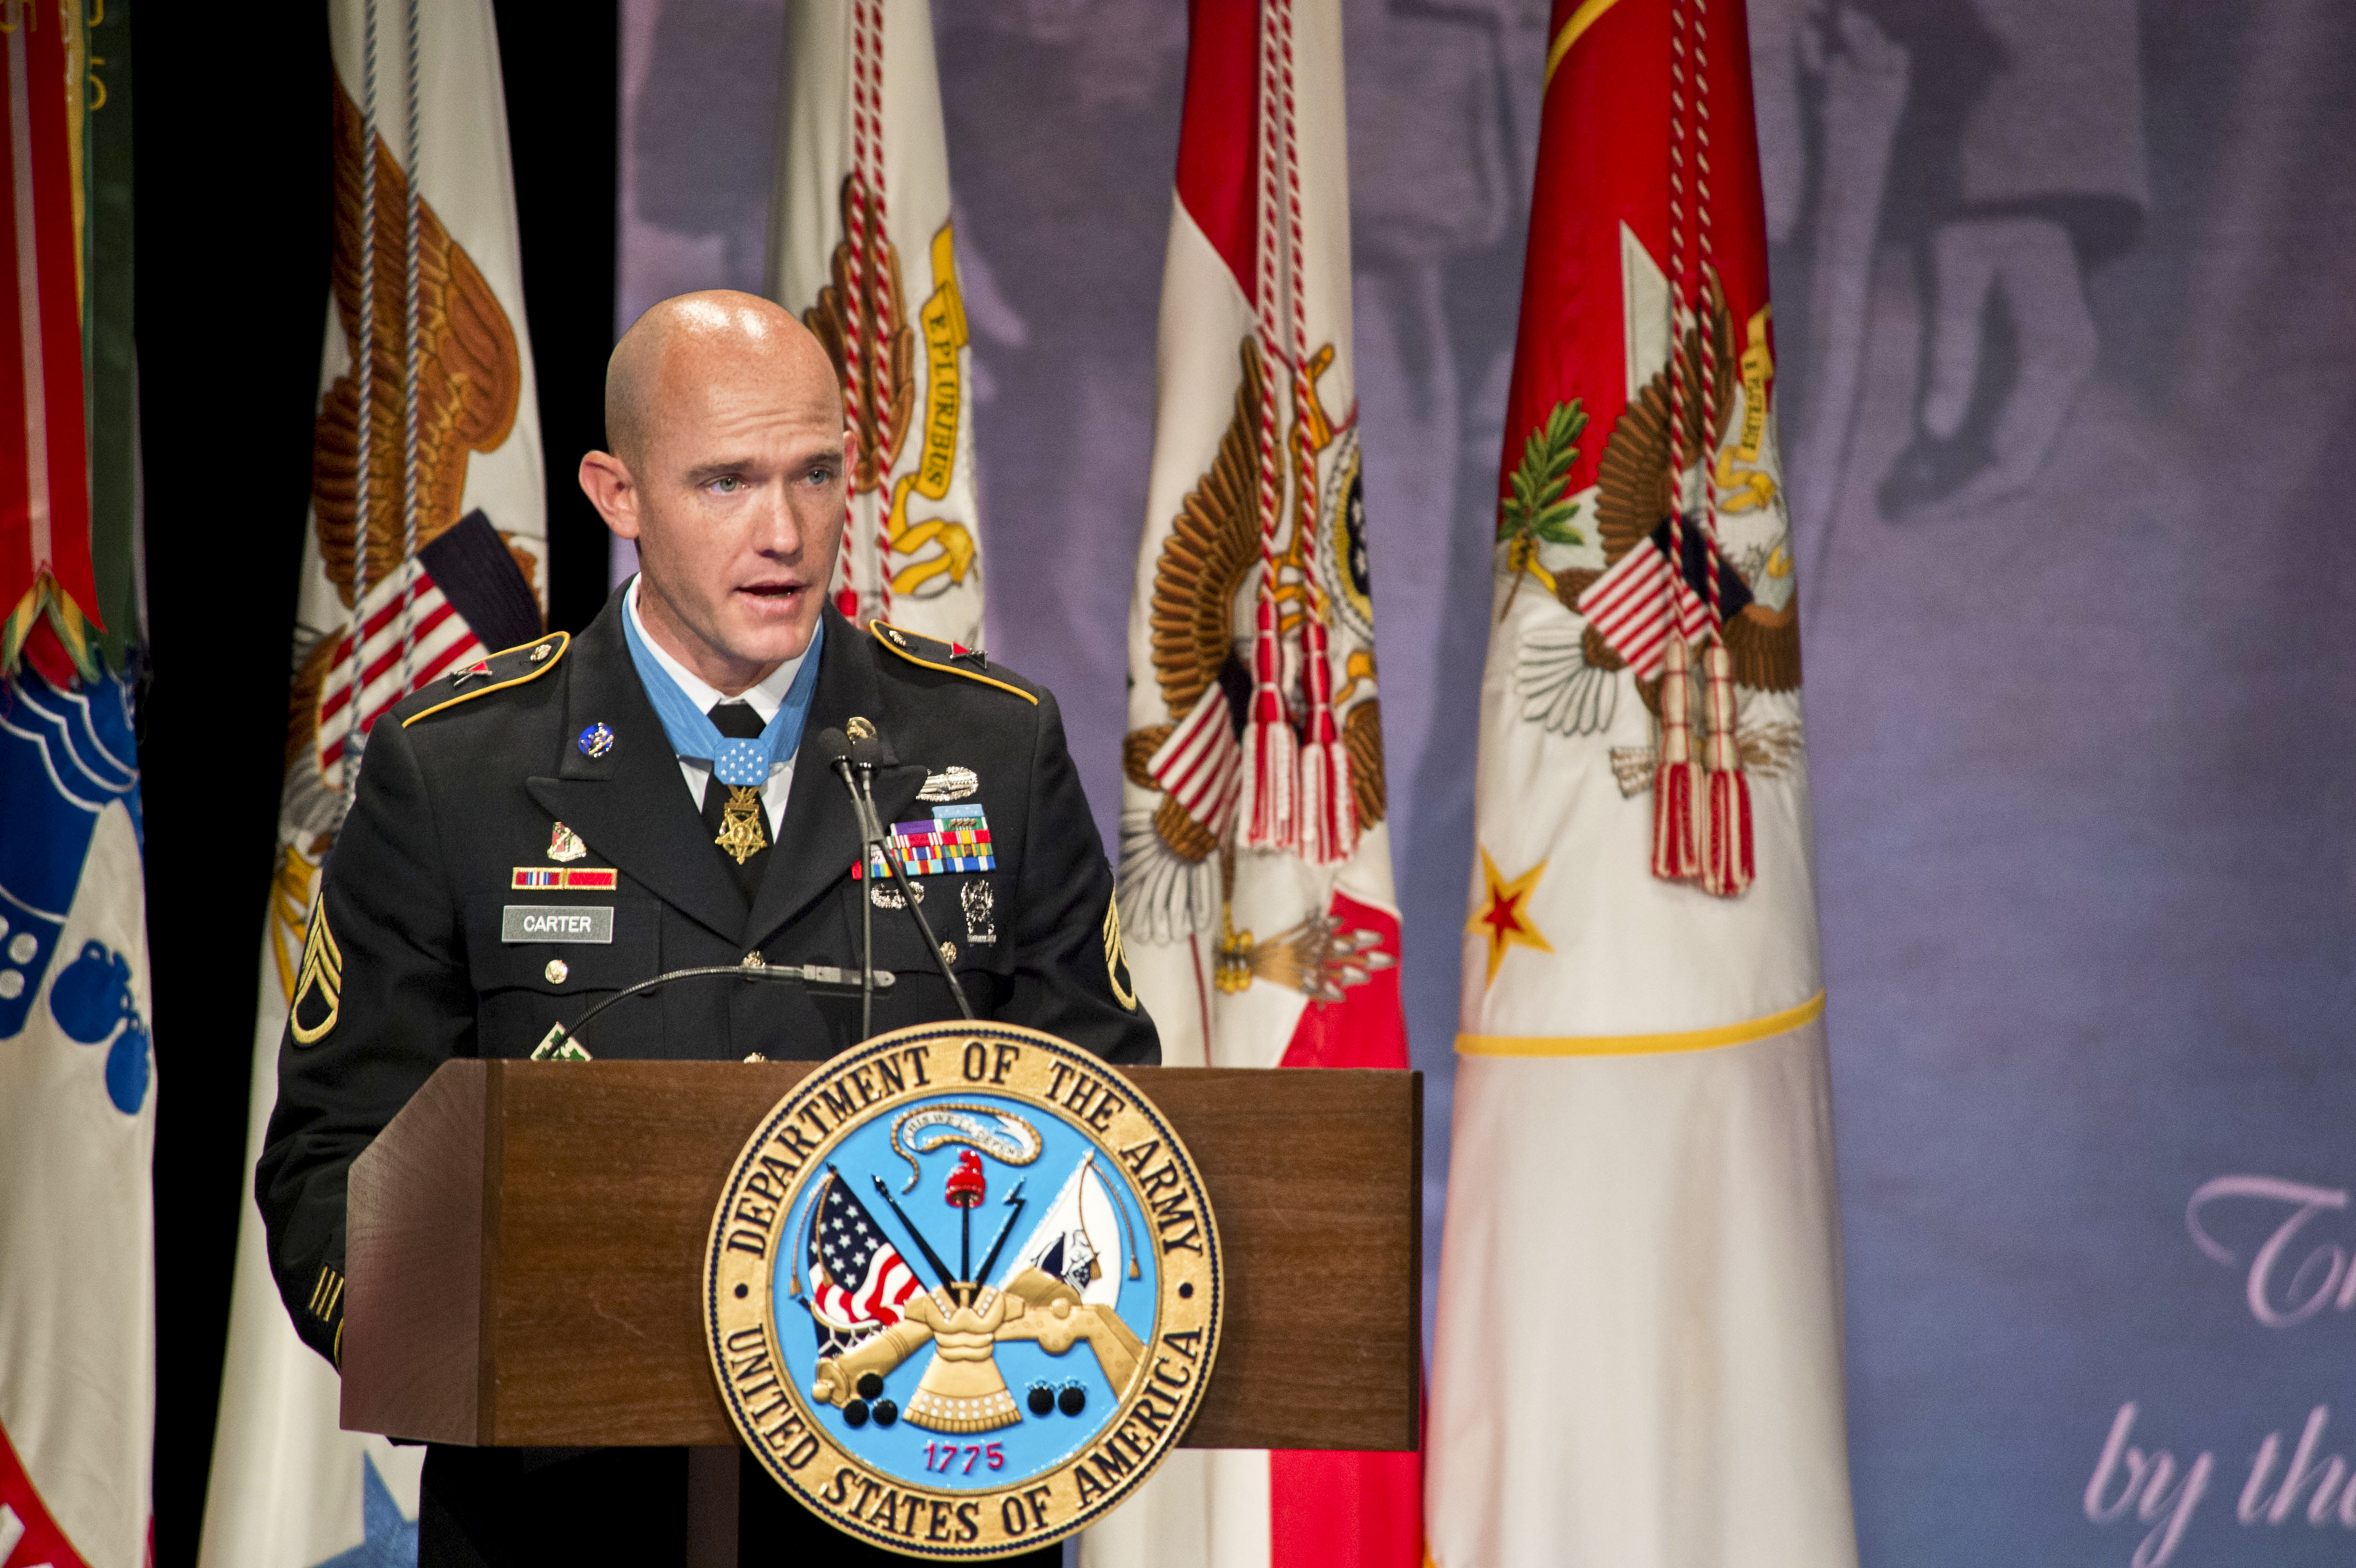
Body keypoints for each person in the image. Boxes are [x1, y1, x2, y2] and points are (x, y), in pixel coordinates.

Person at [256, 290, 1155, 1566]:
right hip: (565, 1517)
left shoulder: (986, 748)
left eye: (816, 476)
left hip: (922, 1498)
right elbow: (334, 1169)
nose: (782, 533)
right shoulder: (452, 773)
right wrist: (496, 1349)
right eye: (725, 482)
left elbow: (1109, 1115)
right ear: (618, 495)